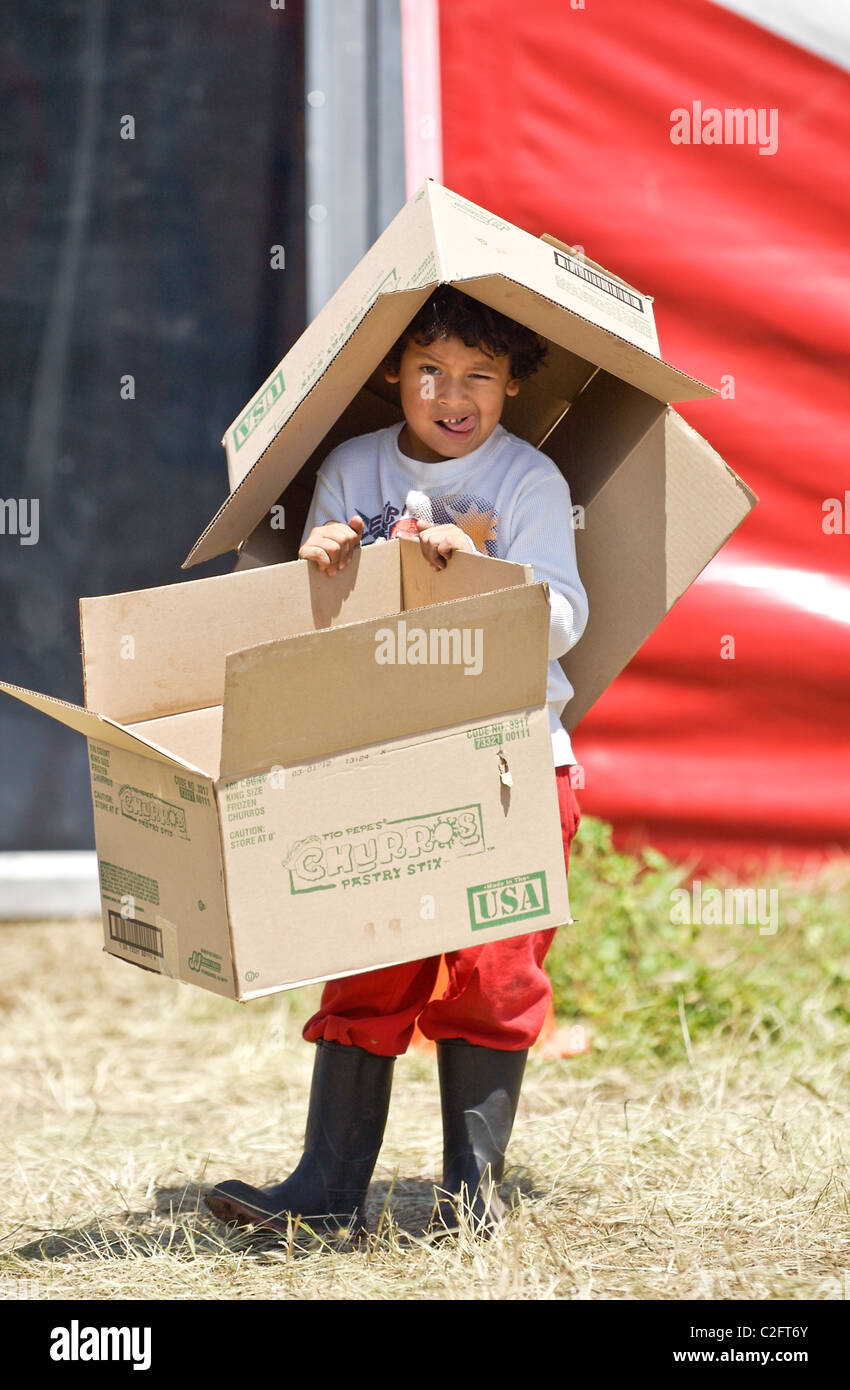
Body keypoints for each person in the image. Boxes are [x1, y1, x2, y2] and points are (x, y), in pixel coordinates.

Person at [206, 286, 588, 1237]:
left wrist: (486, 575)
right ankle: (327, 1192)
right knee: (369, 967)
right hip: (387, 762)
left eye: (479, 376)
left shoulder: (528, 482)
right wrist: (323, 560)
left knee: (496, 975)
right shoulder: (353, 466)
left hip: (512, 762)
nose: (452, 394)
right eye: (430, 370)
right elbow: (318, 634)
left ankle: (471, 1198)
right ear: (392, 372)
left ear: (510, 387)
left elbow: (569, 620)